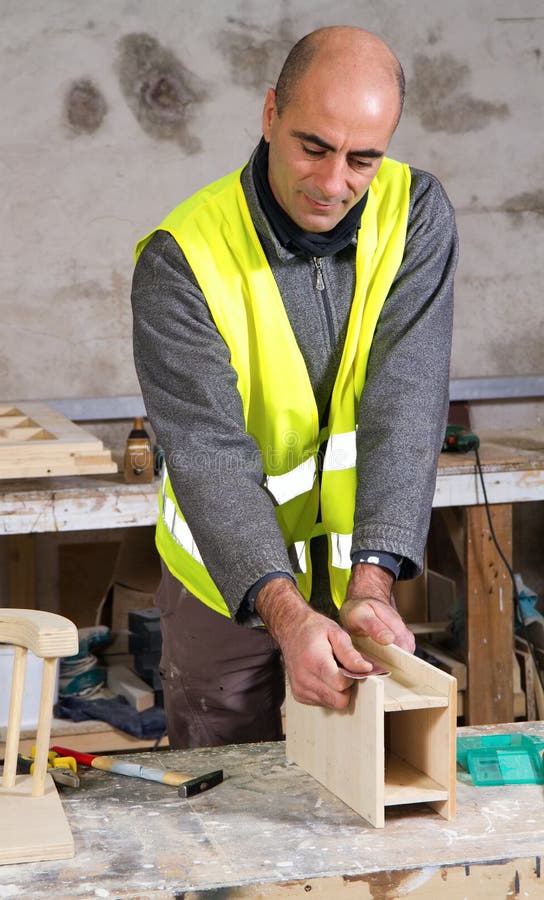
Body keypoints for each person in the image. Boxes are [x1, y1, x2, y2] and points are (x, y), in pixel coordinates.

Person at [131, 25, 458, 749]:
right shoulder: (181, 258)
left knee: (353, 794)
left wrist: (371, 581)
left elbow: (404, 407)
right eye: (314, 146)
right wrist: (282, 610)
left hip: (349, 565)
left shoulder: (417, 215)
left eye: (362, 159)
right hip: (223, 575)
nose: (333, 182)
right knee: (224, 789)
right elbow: (209, 455)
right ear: (271, 113)